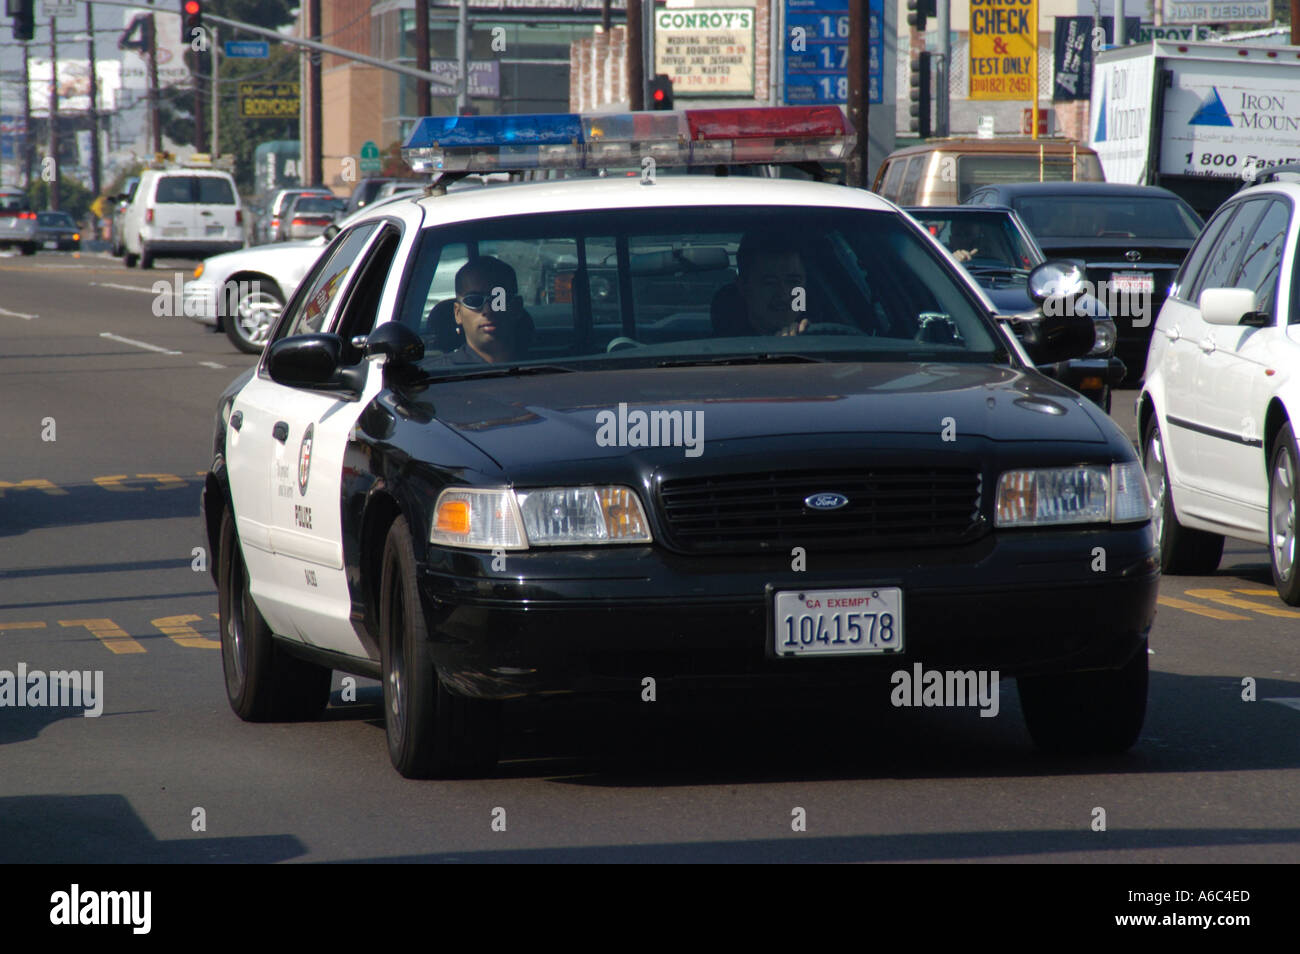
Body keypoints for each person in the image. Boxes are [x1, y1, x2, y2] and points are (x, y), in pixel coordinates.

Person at [430, 256, 529, 364]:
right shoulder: (433, 376)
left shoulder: (547, 369)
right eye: (473, 301)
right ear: (457, 313)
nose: (488, 310)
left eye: (498, 299)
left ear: (517, 307)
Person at [732, 232, 812, 336]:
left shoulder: (828, 341)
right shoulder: (722, 348)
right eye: (770, 283)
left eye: (793, 281)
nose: (783, 294)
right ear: (743, 287)